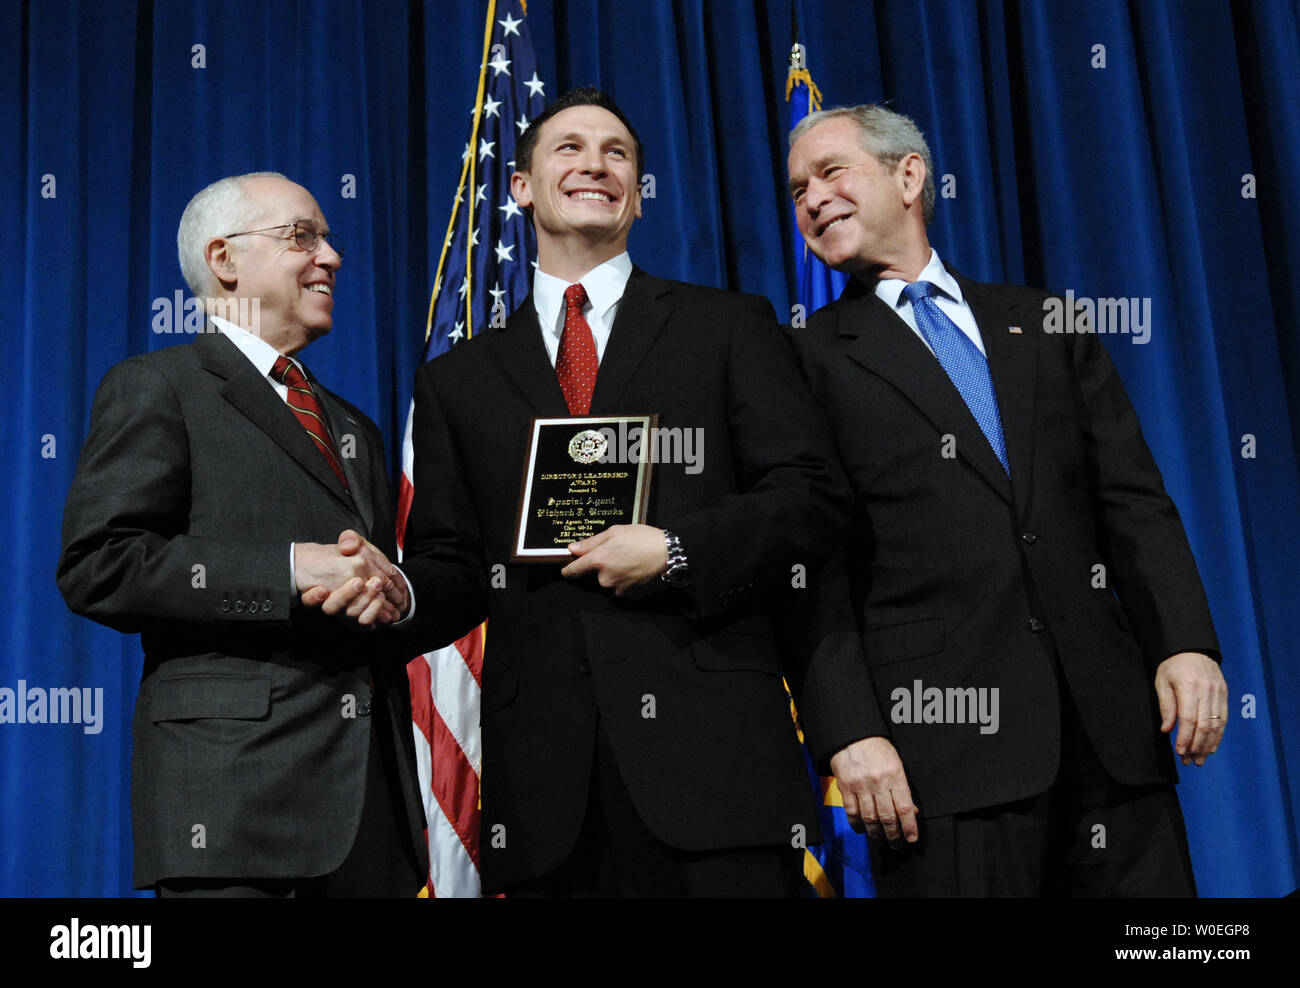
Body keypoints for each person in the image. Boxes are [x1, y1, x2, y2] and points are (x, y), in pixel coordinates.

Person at [398, 88, 851, 896]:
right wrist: (388, 594)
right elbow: (451, 564)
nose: (595, 165)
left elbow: (811, 496)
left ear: (639, 195)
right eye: (568, 148)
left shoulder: (727, 327)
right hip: (546, 794)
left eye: (617, 153)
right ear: (522, 187)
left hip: (717, 774)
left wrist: (680, 550)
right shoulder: (456, 382)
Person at [783, 105, 1228, 896]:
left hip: (1112, 738)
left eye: (831, 172)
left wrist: (1185, 642)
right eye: (797, 190)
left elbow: (1131, 500)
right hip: (945, 760)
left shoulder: (1044, 321)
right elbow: (811, 567)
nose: (812, 199)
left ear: (909, 175)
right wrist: (849, 730)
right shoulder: (805, 360)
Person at [58, 172, 427, 897]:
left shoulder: (354, 427)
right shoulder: (158, 386)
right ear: (224, 259)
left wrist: (389, 593)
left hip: (369, 817)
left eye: (329, 238)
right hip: (233, 810)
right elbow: (99, 564)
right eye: (302, 236)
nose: (331, 257)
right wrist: (290, 571)